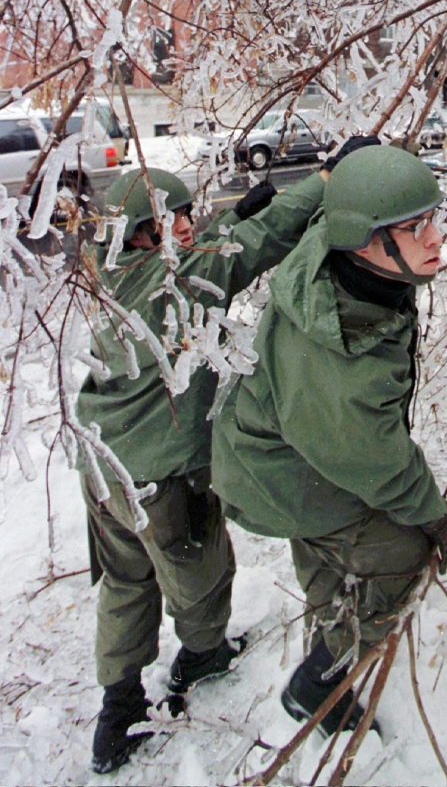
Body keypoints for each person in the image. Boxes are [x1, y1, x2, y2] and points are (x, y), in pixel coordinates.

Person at [77, 164, 328, 774]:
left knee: (127, 580)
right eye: (175, 218)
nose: (189, 226)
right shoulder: (170, 285)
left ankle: (119, 705)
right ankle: (203, 654)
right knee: (199, 569)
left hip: (105, 467)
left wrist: (235, 214)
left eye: (190, 215)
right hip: (163, 473)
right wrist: (324, 179)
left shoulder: (104, 272)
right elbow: (243, 254)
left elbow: (205, 256)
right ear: (141, 232)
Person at [211, 145, 447, 738]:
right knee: (401, 554)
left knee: (333, 549)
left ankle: (331, 611)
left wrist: (349, 171)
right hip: (281, 470)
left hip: (274, 444)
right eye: (413, 227)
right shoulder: (341, 360)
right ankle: (316, 683)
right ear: (361, 239)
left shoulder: (341, 255)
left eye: (433, 217)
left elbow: (331, 209)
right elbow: (377, 464)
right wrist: (437, 520)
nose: (436, 238)